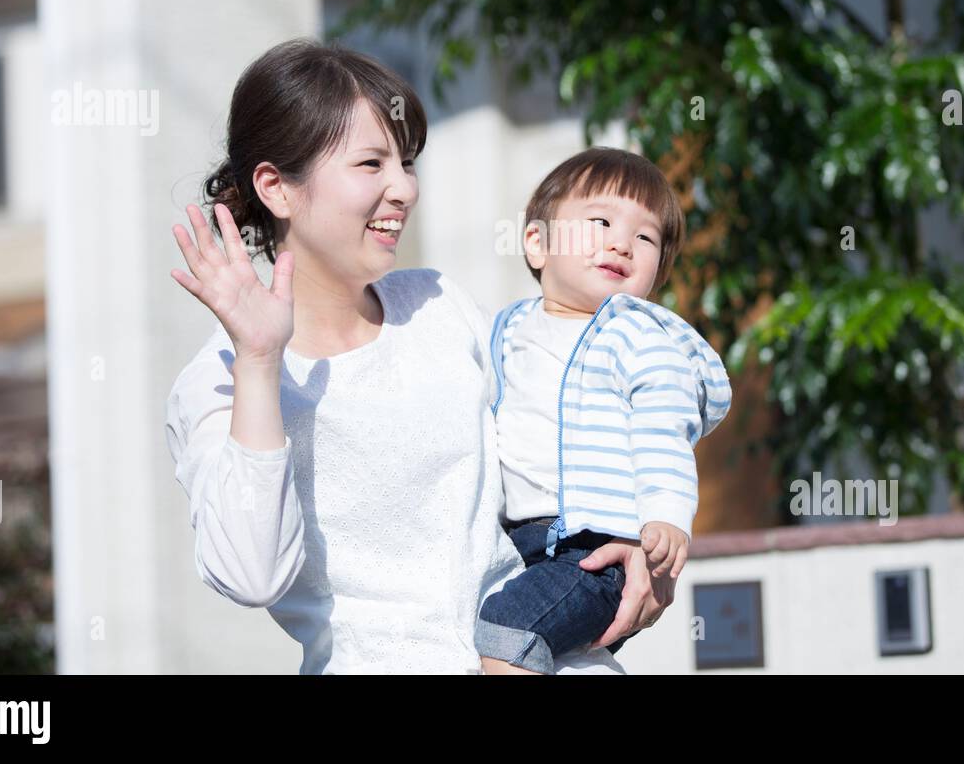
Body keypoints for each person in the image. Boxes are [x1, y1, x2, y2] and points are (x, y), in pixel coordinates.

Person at [164, 39, 674, 673]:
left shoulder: (438, 304)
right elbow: (250, 574)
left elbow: (546, 444)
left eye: (406, 162)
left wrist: (625, 535)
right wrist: (261, 359)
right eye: (370, 164)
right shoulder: (219, 380)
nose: (405, 188)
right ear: (277, 188)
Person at [476, 148, 732, 674]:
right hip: (521, 545)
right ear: (537, 243)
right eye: (601, 222)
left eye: (646, 238)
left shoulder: (637, 337)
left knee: (507, 627)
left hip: (596, 554)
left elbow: (663, 430)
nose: (622, 243)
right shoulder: (504, 330)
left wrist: (666, 515)